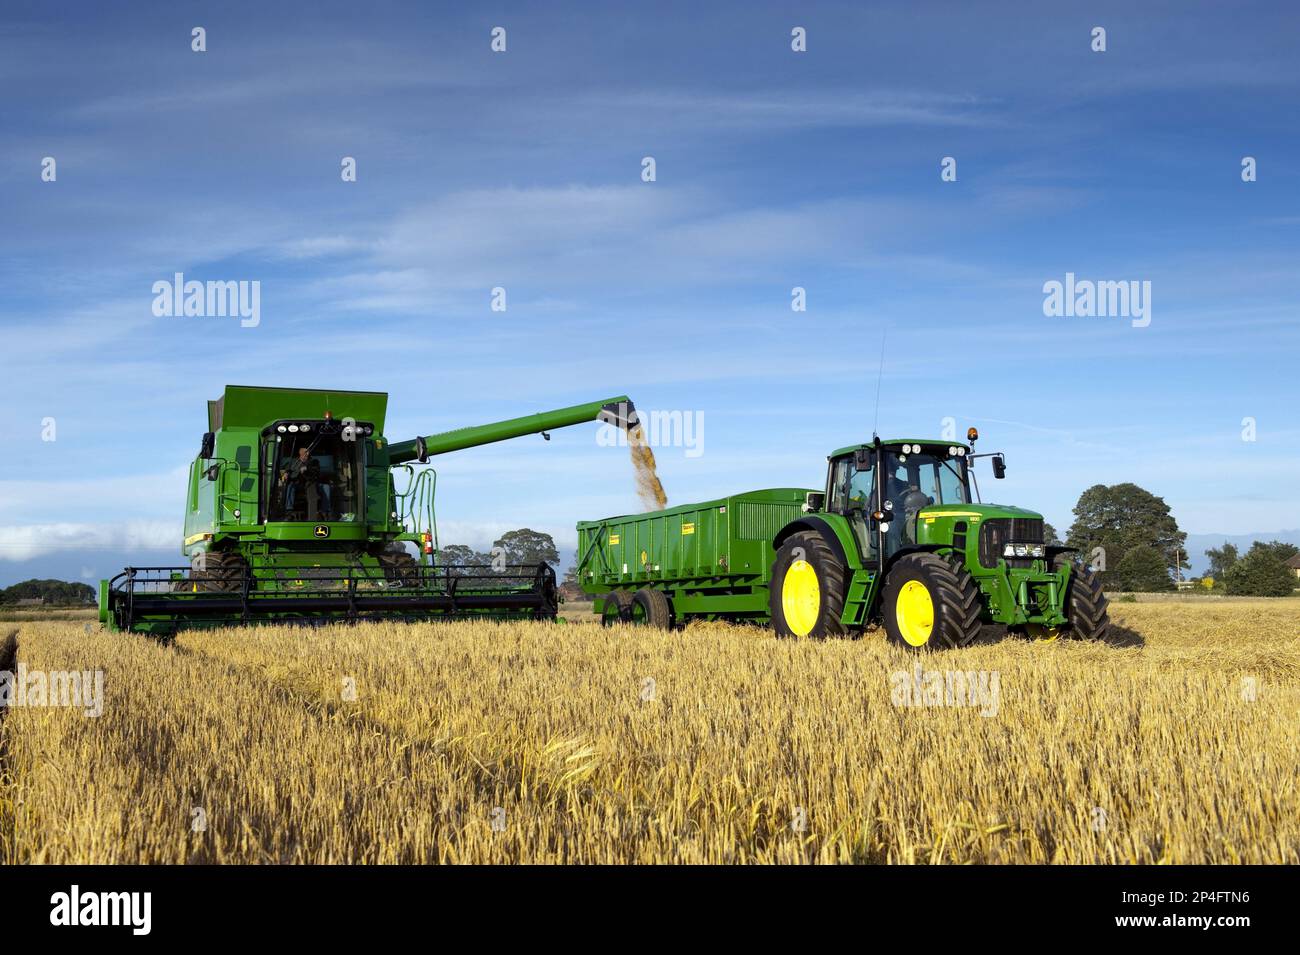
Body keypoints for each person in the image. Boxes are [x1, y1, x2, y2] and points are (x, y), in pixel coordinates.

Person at [282, 447, 323, 520]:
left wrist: (307, 469)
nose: (307, 455)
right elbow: (287, 470)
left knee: (312, 487)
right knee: (290, 486)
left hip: (309, 483)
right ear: (300, 454)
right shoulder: (294, 462)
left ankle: (313, 514)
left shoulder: (313, 462)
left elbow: (316, 471)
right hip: (297, 484)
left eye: (307, 454)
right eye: (305, 454)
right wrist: (285, 473)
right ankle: (289, 509)